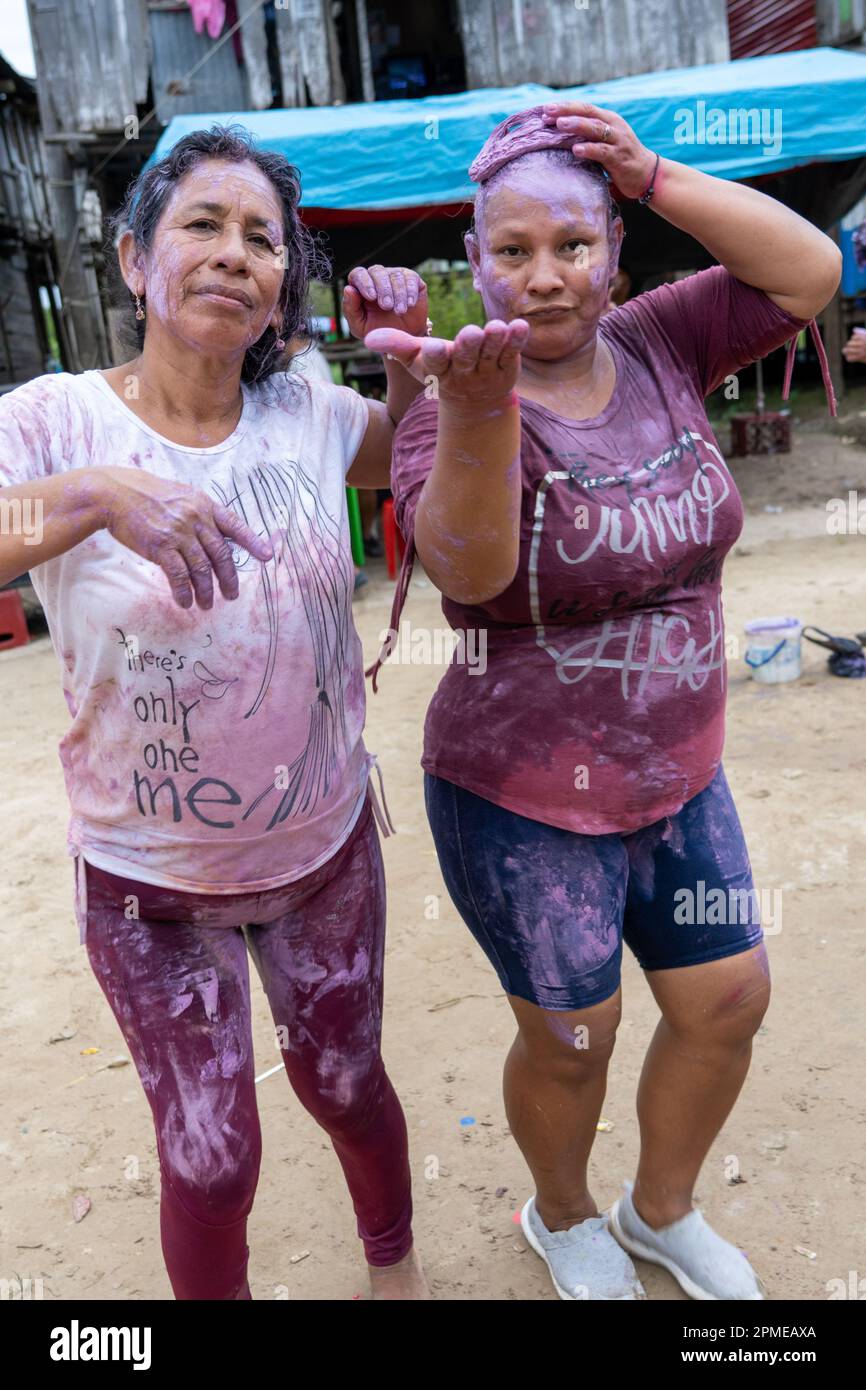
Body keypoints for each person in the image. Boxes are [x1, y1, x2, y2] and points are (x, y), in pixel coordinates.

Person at [366, 103, 840, 1301]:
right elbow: (468, 573)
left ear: (612, 252)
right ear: (472, 264)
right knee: (572, 1039)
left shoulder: (661, 338)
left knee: (726, 999)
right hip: (519, 797)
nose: (542, 278)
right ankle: (563, 1211)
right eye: (510, 252)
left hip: (678, 773)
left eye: (570, 246)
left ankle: (657, 1210)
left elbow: (811, 270)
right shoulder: (445, 391)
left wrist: (655, 171)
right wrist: (475, 413)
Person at [0, 125, 432, 1301]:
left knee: (344, 1083)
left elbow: (405, 465)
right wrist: (96, 498)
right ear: (136, 258)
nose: (234, 254)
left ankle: (393, 1274)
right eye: (202, 224)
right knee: (210, 1154)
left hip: (321, 849)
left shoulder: (302, 405)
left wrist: (402, 365)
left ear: (283, 282)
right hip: (148, 882)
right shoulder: (54, 421)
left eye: (262, 240)